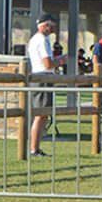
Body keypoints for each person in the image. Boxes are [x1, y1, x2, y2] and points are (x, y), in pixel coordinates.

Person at [26, 14, 65, 157]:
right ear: (45, 26)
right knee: (40, 115)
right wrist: (61, 60)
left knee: (43, 115)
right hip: (42, 78)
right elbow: (47, 64)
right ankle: (33, 149)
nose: (53, 29)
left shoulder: (37, 39)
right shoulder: (41, 40)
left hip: (41, 77)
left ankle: (36, 148)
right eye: (52, 26)